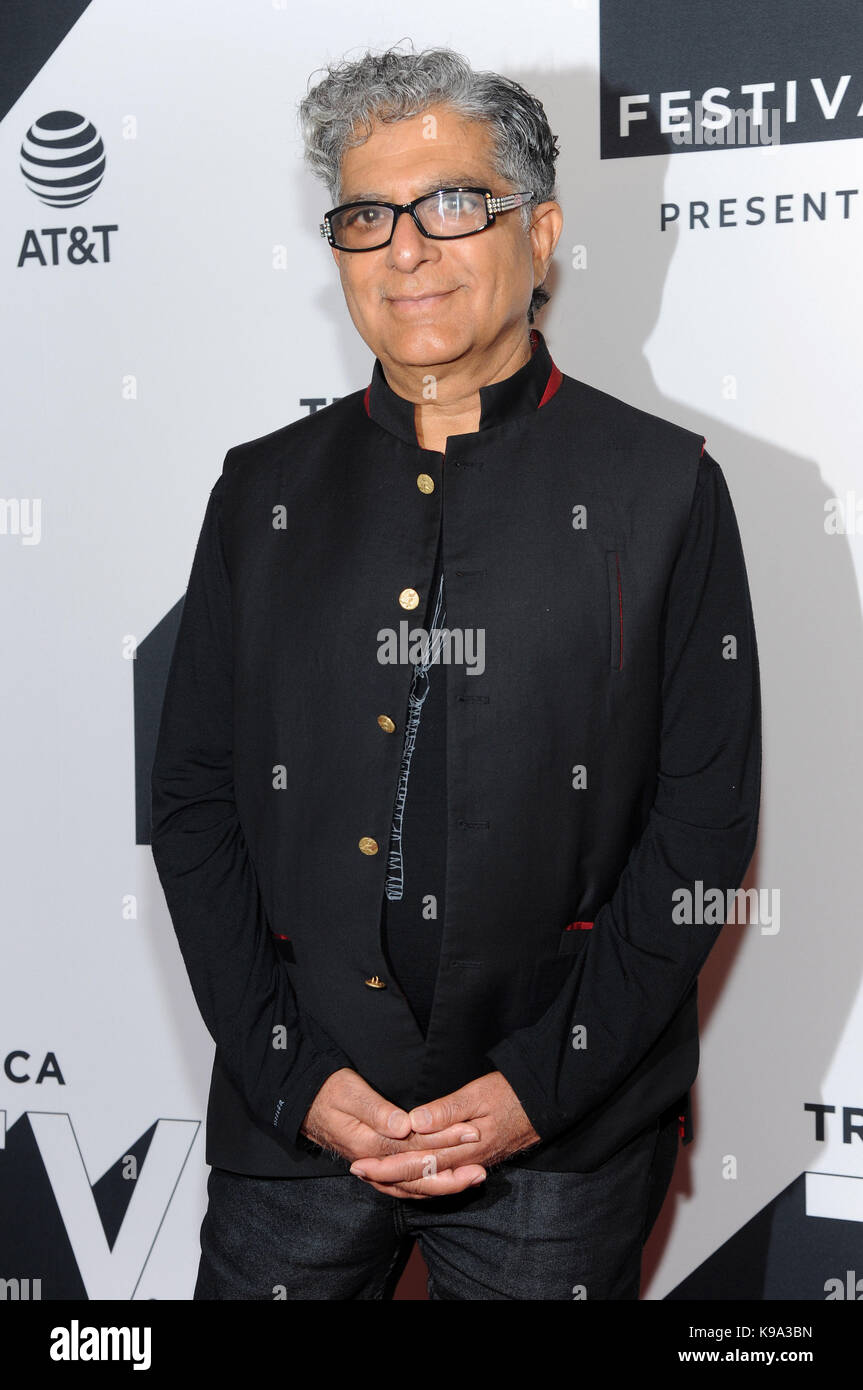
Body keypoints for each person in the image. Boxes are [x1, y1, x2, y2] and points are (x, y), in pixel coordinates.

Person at [150, 43, 761, 1300]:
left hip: (561, 1142)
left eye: (451, 205)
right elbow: (195, 799)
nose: (406, 250)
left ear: (538, 235)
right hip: (296, 1127)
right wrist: (292, 1077)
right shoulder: (259, 491)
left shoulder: (663, 488)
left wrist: (540, 1086)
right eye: (367, 216)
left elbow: (701, 828)